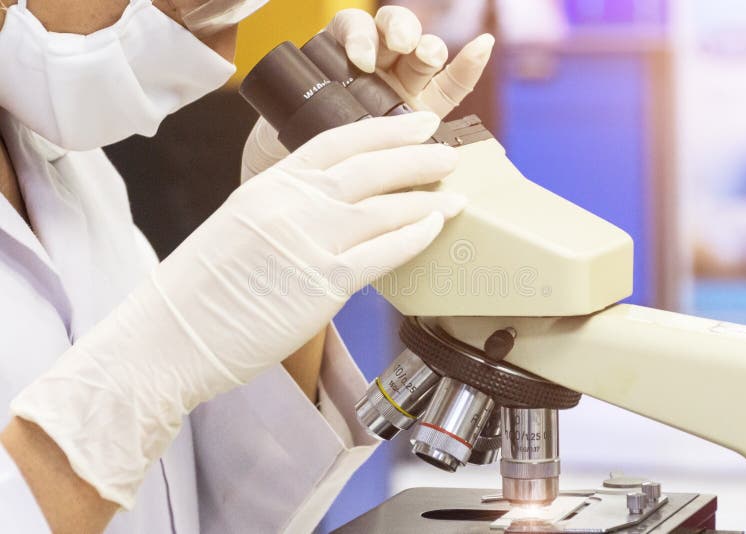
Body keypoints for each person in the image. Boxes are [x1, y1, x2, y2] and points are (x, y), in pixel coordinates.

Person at [0, 0, 493, 532]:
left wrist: (284, 286)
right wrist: (148, 368)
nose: (224, 43)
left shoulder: (71, 169)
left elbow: (198, 503)